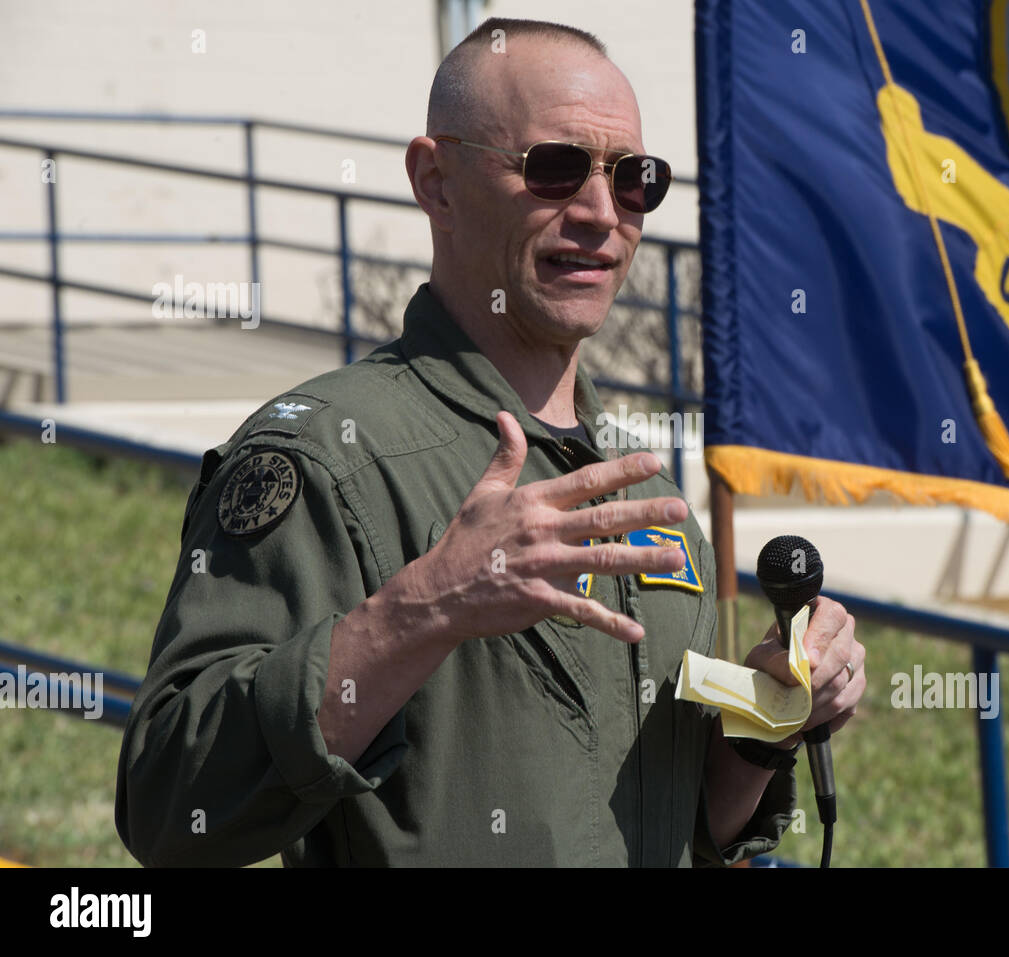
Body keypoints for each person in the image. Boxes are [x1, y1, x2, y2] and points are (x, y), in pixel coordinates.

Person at [115, 17, 866, 867]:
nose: (599, 213)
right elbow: (171, 801)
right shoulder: (326, 458)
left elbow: (674, 829)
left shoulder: (639, 491)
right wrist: (425, 610)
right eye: (554, 169)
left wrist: (767, 723)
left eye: (633, 180)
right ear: (435, 179)